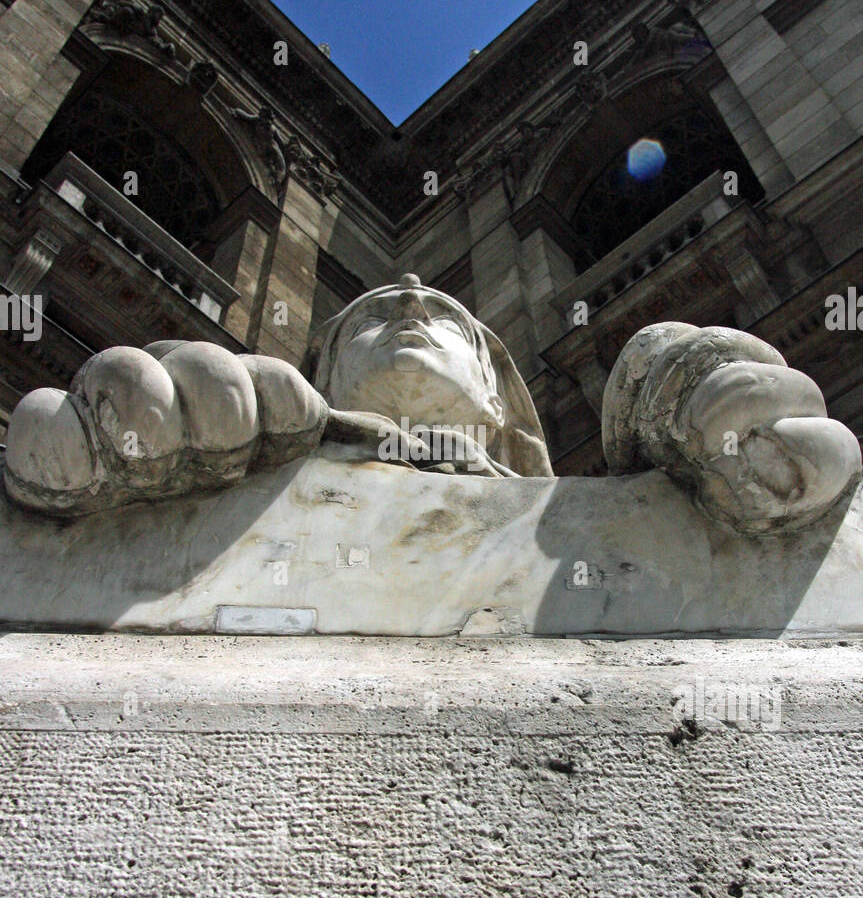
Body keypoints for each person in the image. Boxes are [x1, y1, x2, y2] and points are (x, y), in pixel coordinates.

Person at [3, 274, 859, 537]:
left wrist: (695, 400)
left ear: (497, 387)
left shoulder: (599, 519)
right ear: (323, 373)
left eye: (443, 314)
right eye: (373, 313)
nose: (411, 302)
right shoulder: (217, 481)